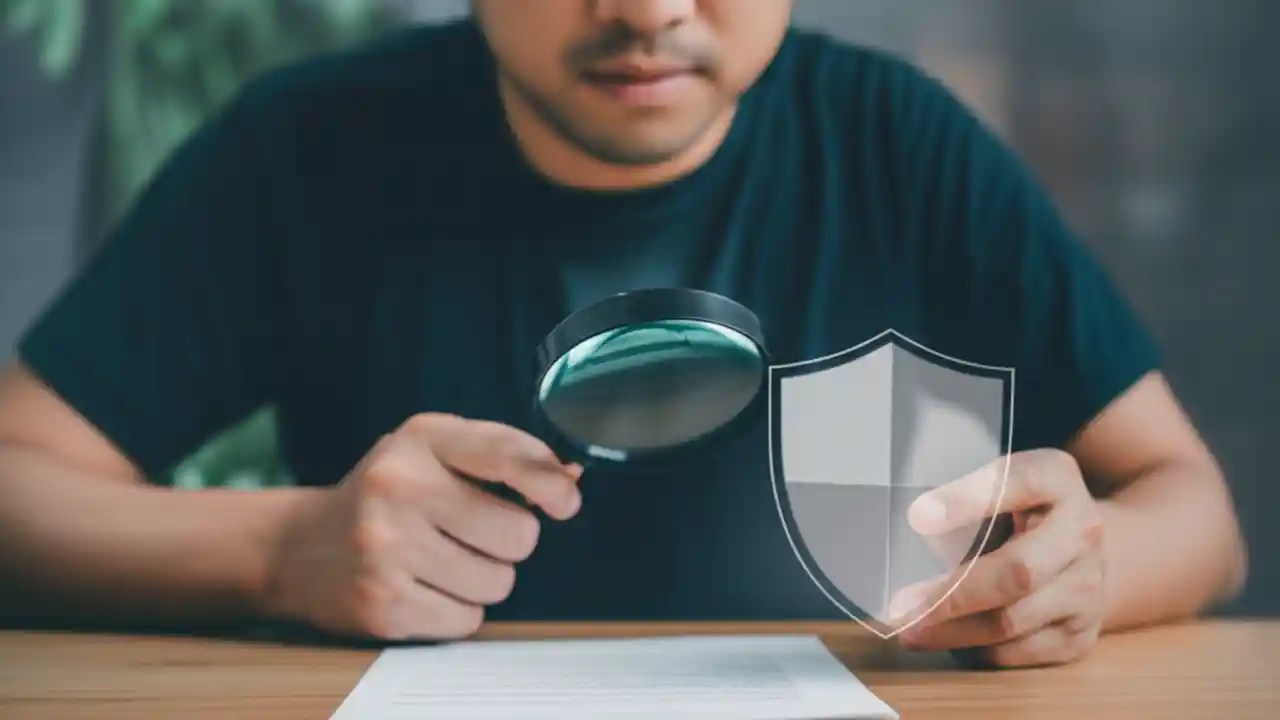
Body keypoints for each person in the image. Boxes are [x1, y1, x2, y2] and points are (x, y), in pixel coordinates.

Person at [0, 0, 1246, 668]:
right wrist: (282, 547)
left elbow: (1192, 508)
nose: (644, 9)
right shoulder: (303, 149)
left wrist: (1083, 573)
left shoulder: (899, 143)